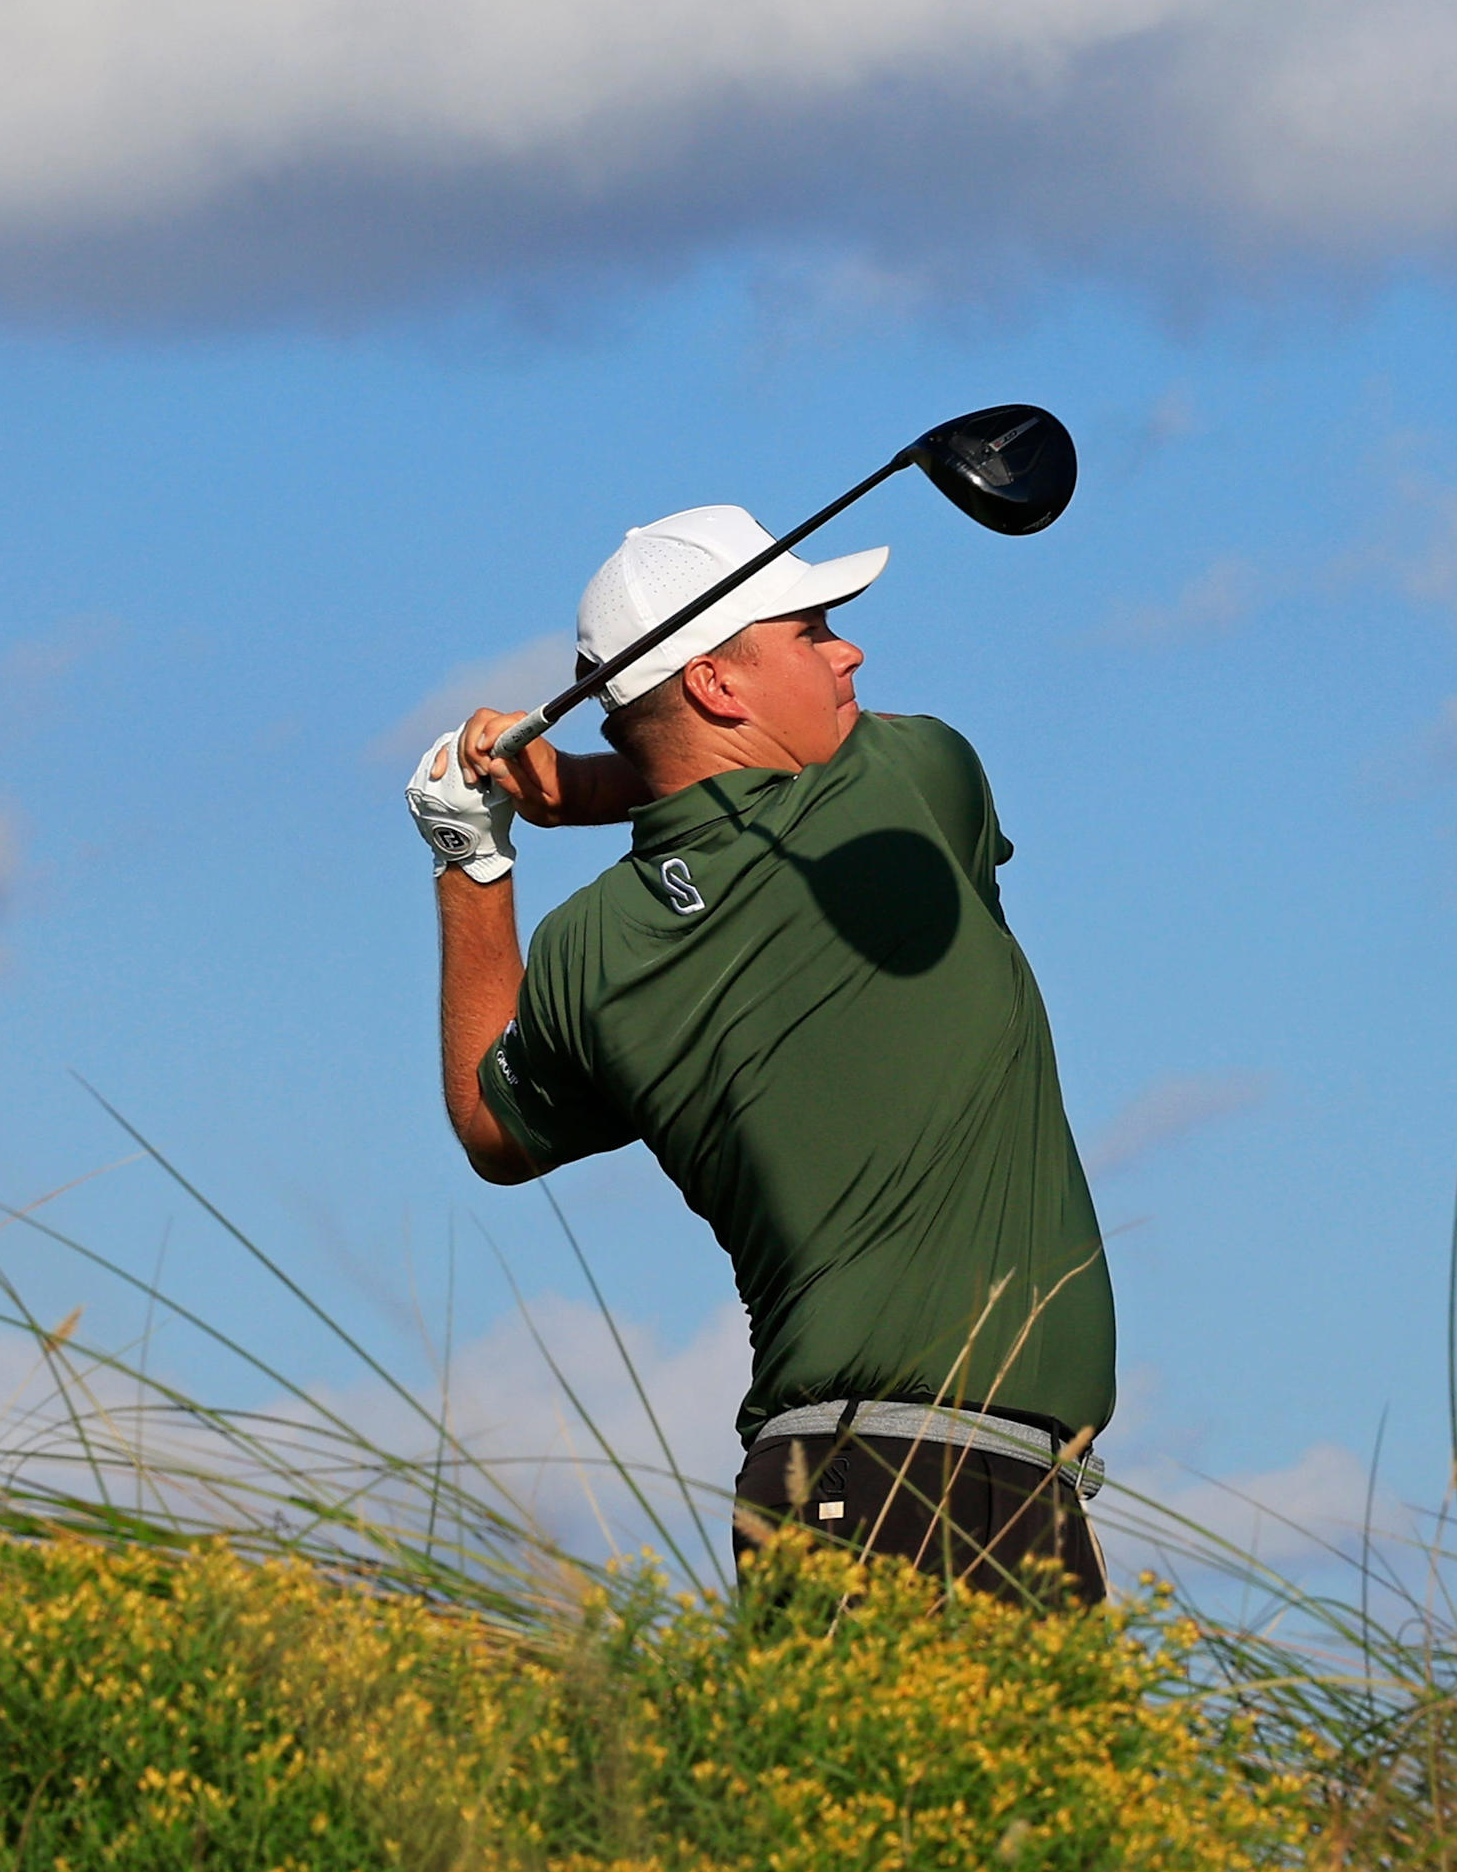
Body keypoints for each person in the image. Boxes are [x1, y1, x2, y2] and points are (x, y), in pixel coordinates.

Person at [404, 502, 1113, 1607]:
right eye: (811, 631)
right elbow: (747, 777)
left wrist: (472, 854)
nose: (849, 650)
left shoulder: (593, 946)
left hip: (843, 1477)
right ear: (717, 684)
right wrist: (579, 789)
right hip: (924, 1479)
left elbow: (492, 1123)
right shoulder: (906, 788)